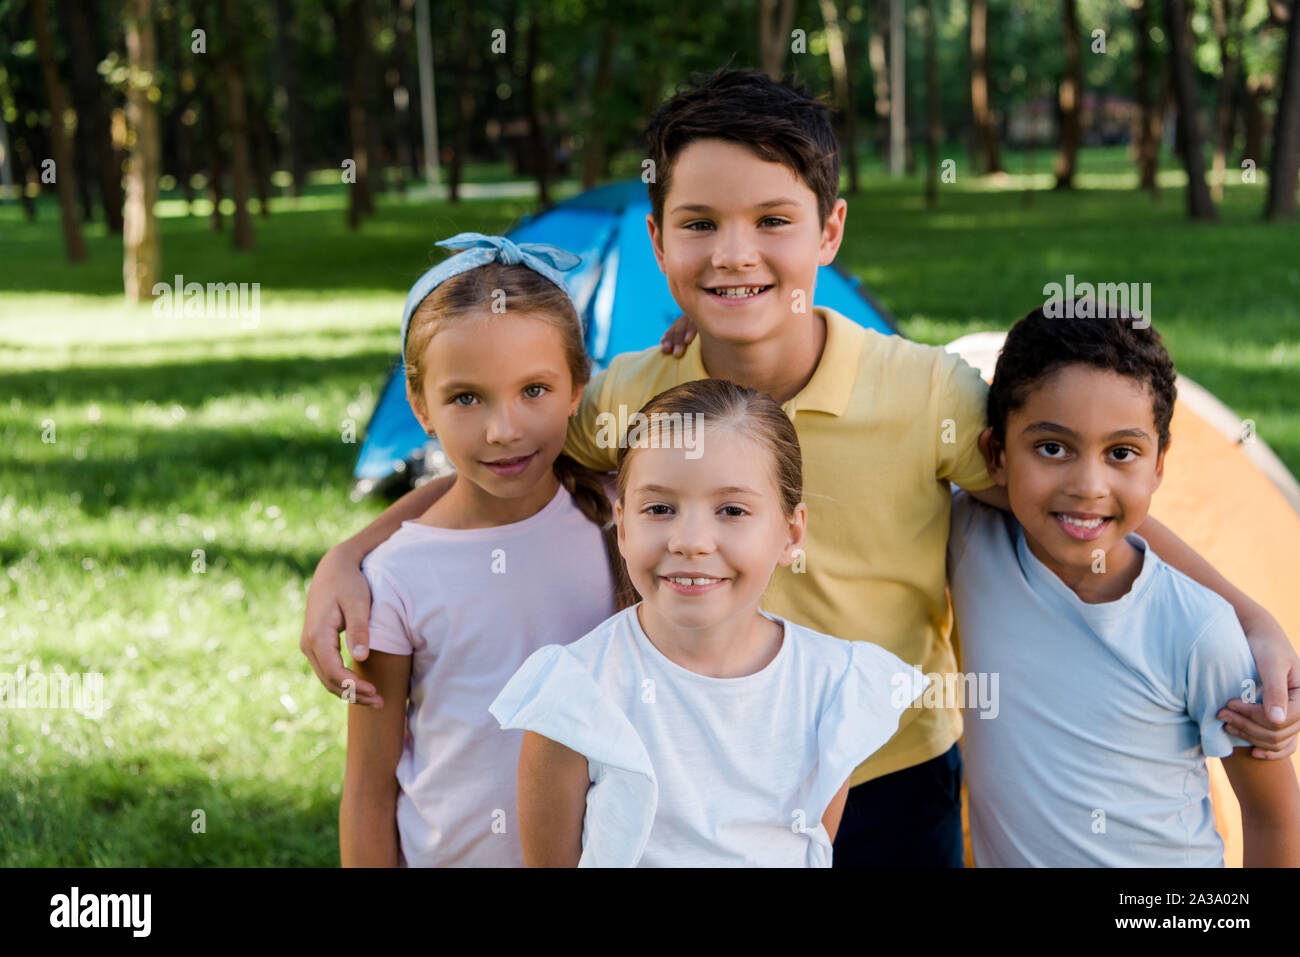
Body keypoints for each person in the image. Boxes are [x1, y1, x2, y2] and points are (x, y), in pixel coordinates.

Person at [305, 68, 1300, 868]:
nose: (735, 254)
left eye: (772, 221)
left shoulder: (927, 396)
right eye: (699, 224)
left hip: (895, 777)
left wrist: (1243, 608)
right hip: (701, 783)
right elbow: (505, 465)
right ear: (656, 241)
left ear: (827, 231)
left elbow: (1073, 507)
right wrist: (354, 551)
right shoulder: (628, 398)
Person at [490, 378, 928, 866]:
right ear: (624, 524)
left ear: (791, 532)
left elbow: (809, 848)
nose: (691, 540)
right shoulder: (576, 694)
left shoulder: (834, 686)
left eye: (732, 510)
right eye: (659, 508)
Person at [948, 303, 1300, 866]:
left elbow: (1272, 814)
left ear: (1159, 466)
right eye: (1052, 448)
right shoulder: (971, 535)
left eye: (1121, 453)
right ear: (996, 454)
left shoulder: (1201, 633)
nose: (1088, 485)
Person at [338, 233, 626, 867]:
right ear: (420, 407)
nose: (504, 430)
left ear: (578, 388)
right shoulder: (396, 574)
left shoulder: (622, 523)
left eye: (535, 391)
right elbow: (366, 789)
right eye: (466, 397)